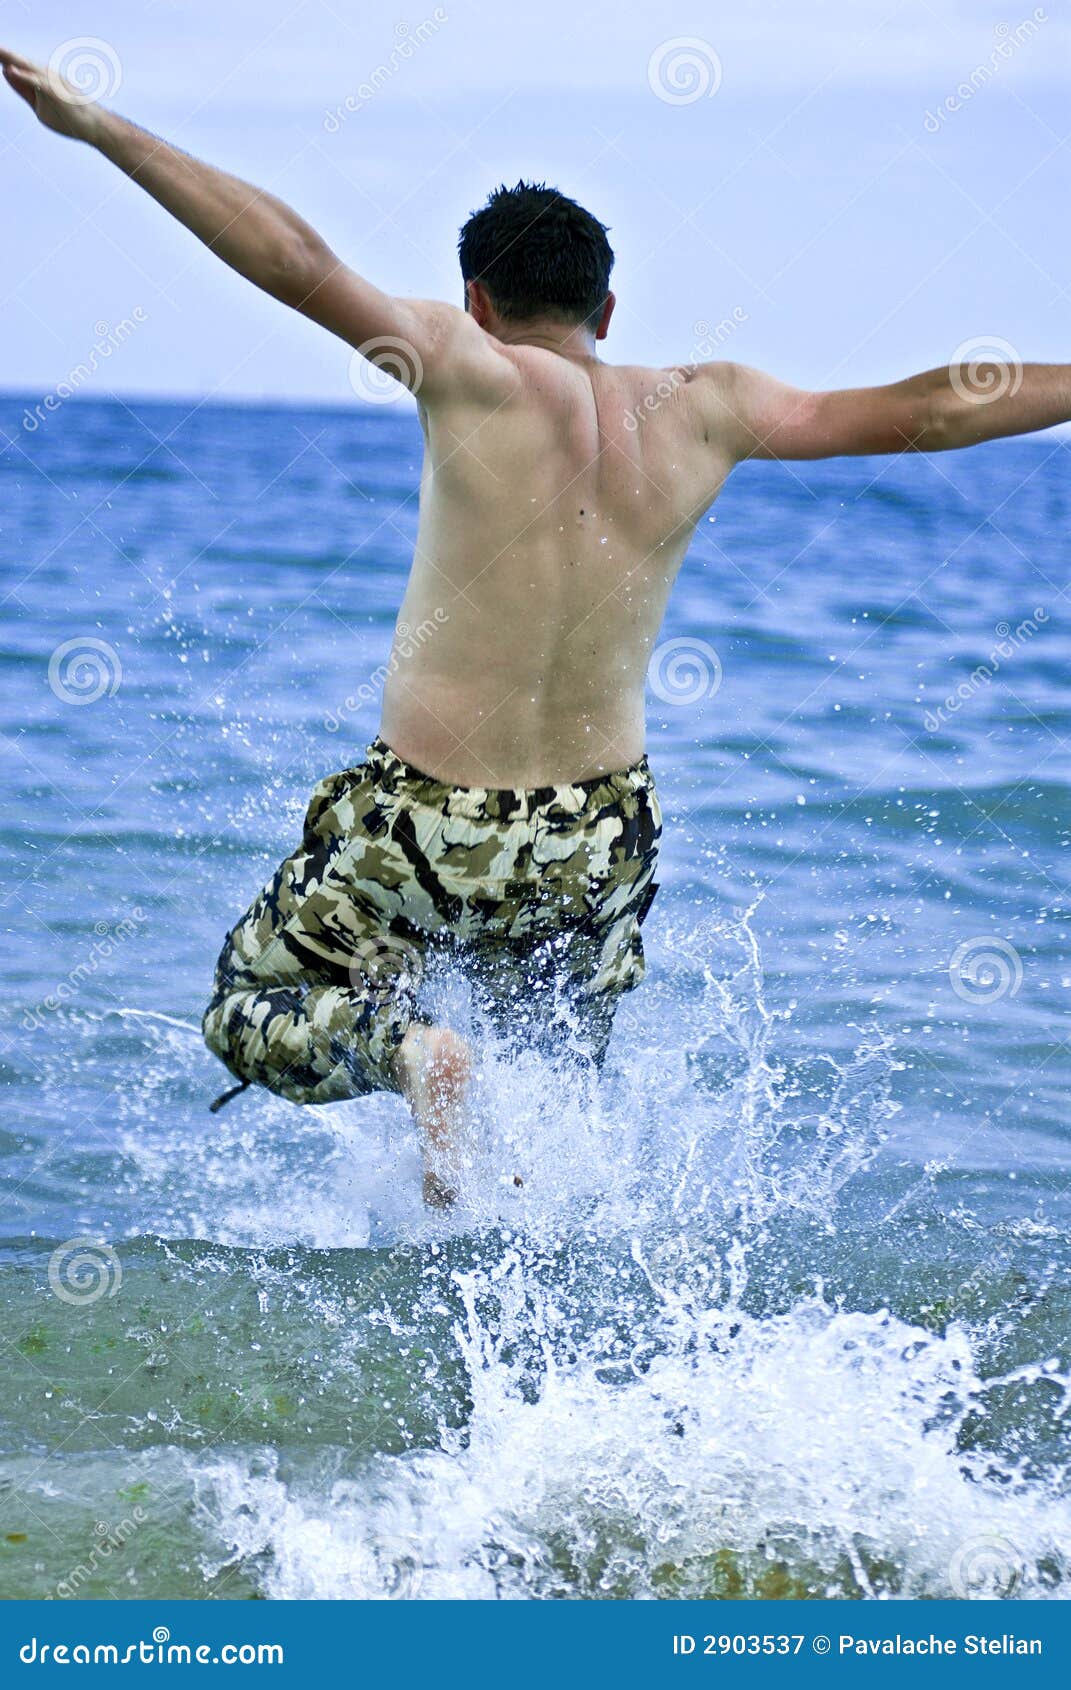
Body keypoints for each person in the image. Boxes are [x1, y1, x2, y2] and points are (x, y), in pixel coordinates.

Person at [6, 46, 1069, 1203]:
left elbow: (298, 261)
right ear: (608, 307)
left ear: (476, 300)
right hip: (598, 834)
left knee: (249, 1008)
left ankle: (407, 1054)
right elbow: (923, 406)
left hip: (431, 819)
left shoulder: (466, 369)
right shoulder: (711, 407)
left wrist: (100, 129)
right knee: (549, 1102)